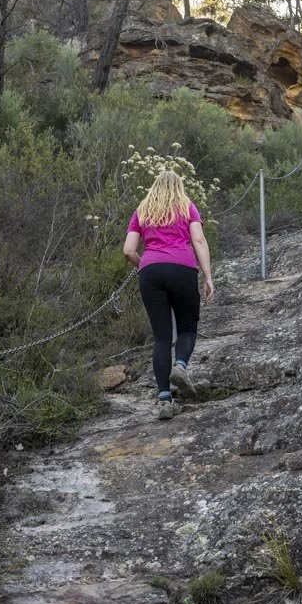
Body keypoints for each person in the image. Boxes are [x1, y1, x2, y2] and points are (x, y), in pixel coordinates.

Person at [123, 169, 215, 420]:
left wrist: (146, 264)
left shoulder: (143, 210)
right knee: (187, 327)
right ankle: (181, 366)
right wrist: (207, 276)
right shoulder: (187, 206)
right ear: (179, 187)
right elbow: (198, 240)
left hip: (150, 272)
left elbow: (129, 250)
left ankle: (164, 399)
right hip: (183, 268)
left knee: (161, 337)